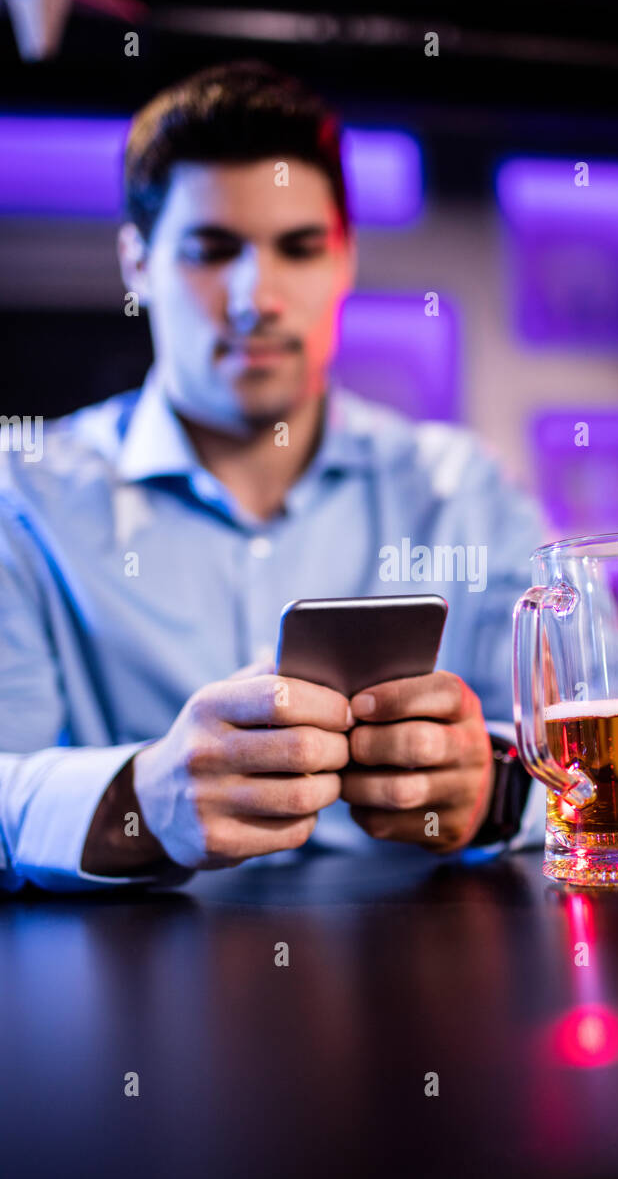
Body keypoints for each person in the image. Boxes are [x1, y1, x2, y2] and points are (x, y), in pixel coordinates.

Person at [0, 61, 549, 894]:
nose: (258, 298)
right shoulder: (21, 502)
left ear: (345, 261)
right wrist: (141, 802)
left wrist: (499, 790)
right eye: (213, 251)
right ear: (136, 264)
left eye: (298, 248)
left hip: (424, 1005)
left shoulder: (462, 489)